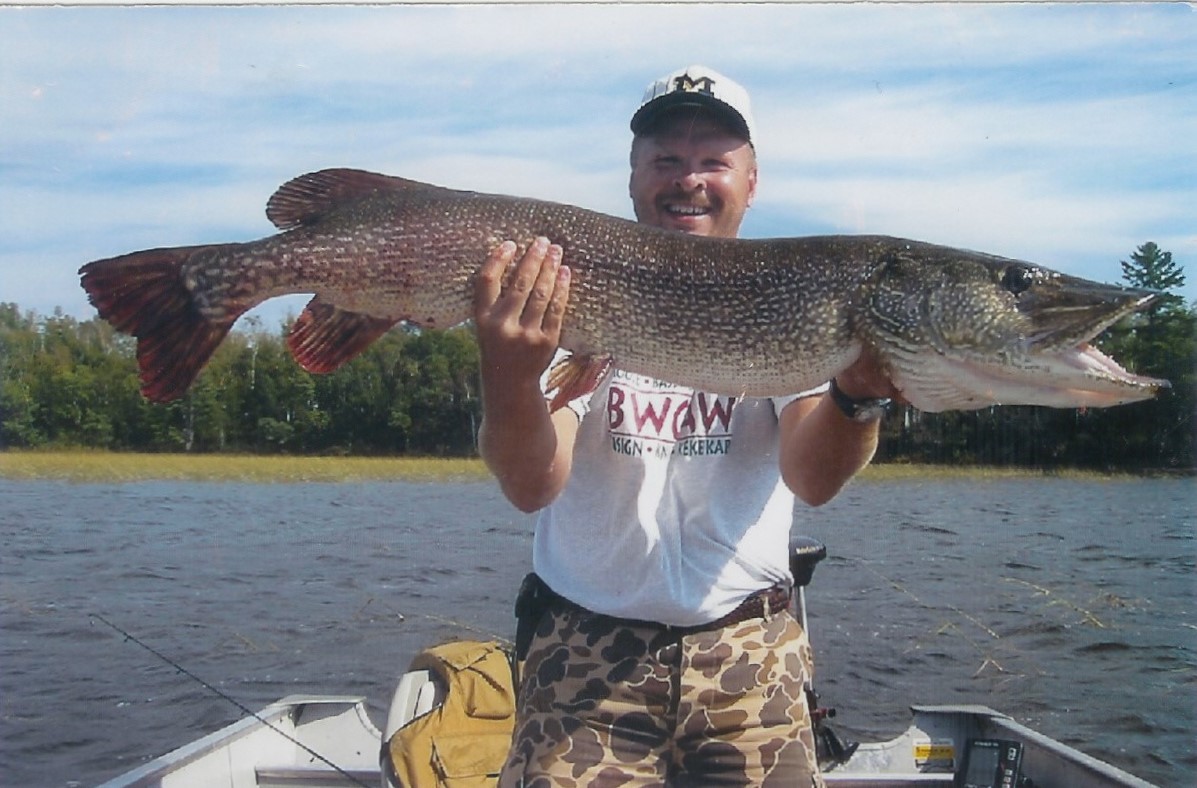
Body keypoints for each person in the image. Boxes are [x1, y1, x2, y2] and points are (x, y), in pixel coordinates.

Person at [473, 65, 899, 787]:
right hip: (583, 661)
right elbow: (528, 484)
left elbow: (812, 478)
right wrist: (510, 374)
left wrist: (857, 398)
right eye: (666, 160)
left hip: (748, 658)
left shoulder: (793, 297)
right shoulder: (562, 288)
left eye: (713, 161)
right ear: (634, 177)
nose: (688, 179)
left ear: (752, 181)